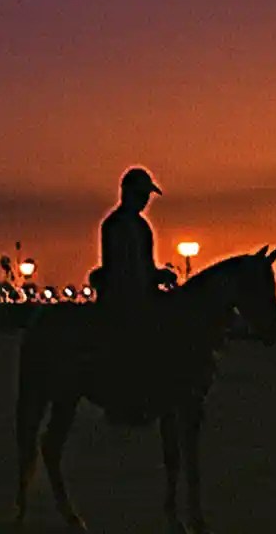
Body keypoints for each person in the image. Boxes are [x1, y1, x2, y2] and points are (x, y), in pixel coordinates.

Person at [92, 167, 178, 425]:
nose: (145, 201)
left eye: (147, 196)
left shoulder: (140, 226)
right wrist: (153, 278)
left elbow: (144, 266)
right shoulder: (117, 225)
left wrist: (159, 275)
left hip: (141, 293)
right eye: (142, 195)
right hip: (123, 298)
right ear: (128, 194)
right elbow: (123, 269)